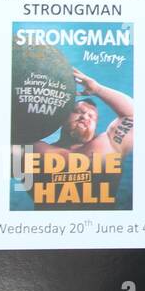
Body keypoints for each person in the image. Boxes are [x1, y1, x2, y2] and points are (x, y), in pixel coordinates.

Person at [19, 69, 134, 209]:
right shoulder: (33, 150)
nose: (85, 117)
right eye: (78, 111)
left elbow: (135, 116)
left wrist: (98, 89)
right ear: (62, 117)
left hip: (99, 228)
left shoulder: (109, 145)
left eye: (92, 117)